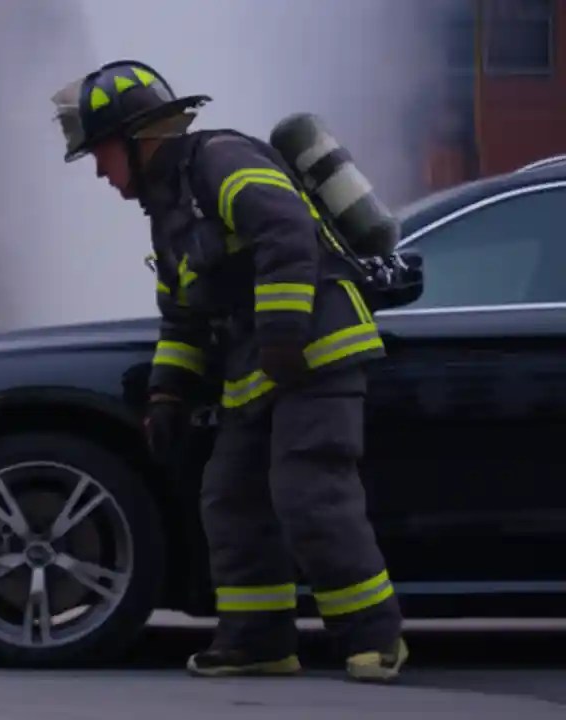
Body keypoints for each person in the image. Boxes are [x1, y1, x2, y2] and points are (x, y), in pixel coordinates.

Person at [50, 60, 407, 683]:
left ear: (140, 138)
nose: (101, 173)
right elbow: (181, 319)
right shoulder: (169, 216)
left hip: (317, 356)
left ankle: (375, 638)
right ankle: (259, 641)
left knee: (311, 492)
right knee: (230, 500)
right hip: (261, 373)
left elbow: (287, 231)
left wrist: (281, 335)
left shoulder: (220, 161)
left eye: (102, 155)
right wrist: (166, 392)